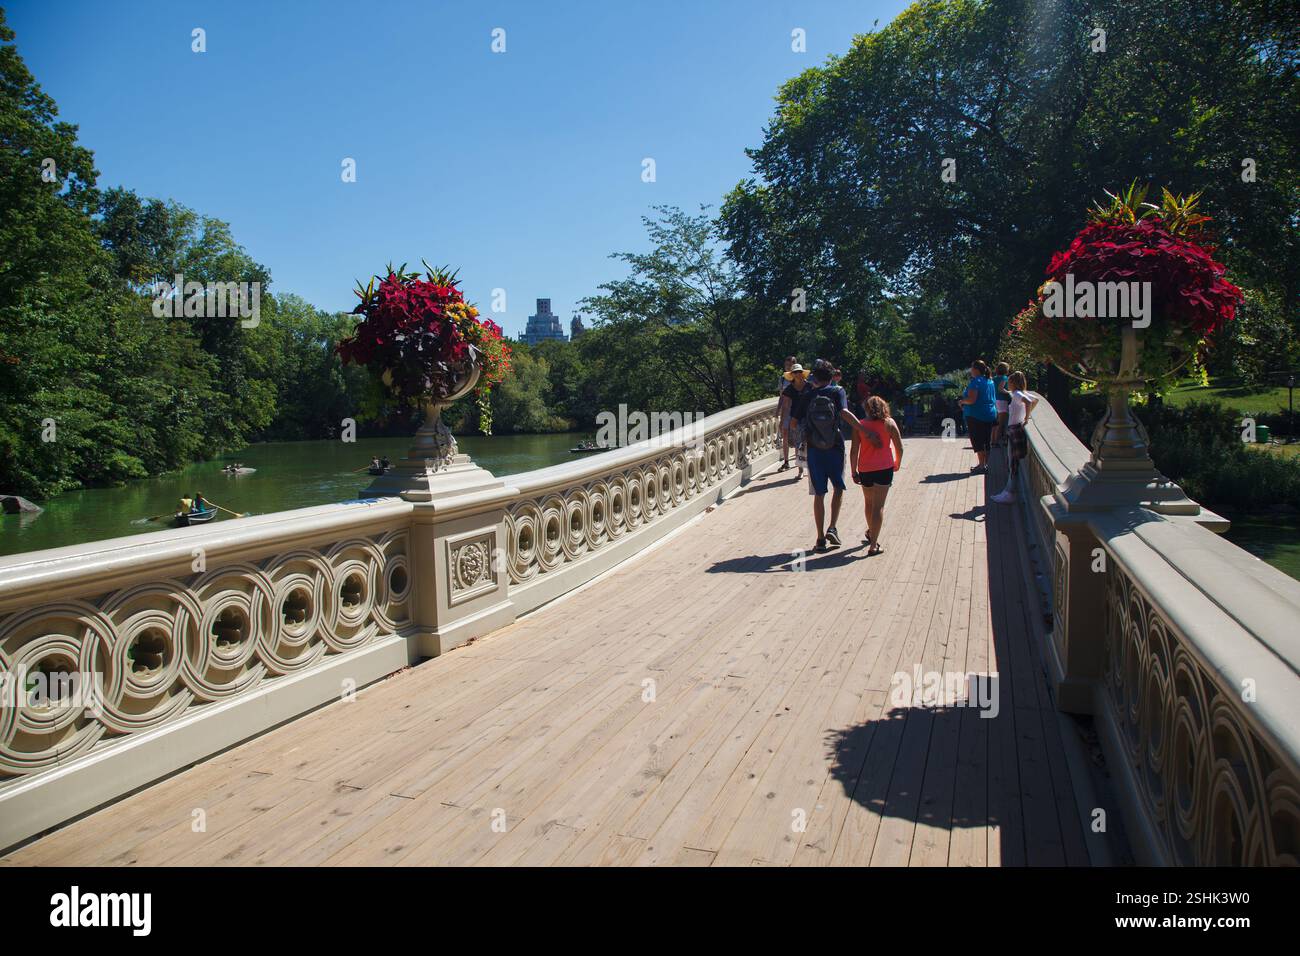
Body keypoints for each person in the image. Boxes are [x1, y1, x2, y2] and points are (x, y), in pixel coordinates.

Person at [800, 360, 870, 552]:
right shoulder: (837, 391)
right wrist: (864, 431)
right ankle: (833, 527)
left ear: (815, 378)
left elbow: (794, 422)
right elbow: (844, 413)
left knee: (819, 494)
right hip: (834, 445)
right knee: (838, 487)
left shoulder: (808, 395)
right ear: (831, 377)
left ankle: (820, 539)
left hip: (814, 448)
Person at [851, 395, 904, 555]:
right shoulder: (889, 423)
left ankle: (871, 532)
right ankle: (873, 544)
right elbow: (899, 447)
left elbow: (854, 451)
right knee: (879, 506)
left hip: (865, 469)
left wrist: (853, 471)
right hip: (884, 468)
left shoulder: (859, 425)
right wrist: (897, 464)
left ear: (866, 409)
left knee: (869, 503)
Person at [991, 372, 1039, 505]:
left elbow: (1029, 402)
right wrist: (1026, 414)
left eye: (1009, 382)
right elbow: (1035, 399)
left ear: (1014, 383)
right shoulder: (1020, 393)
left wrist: (1026, 418)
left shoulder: (1018, 394)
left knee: (1012, 463)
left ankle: (1009, 493)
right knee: (1013, 462)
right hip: (1016, 428)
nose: (1008, 385)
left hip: (1014, 429)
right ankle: (1008, 491)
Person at [958, 359, 998, 473]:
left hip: (977, 416)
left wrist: (962, 402)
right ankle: (986, 464)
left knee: (978, 441)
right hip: (990, 414)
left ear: (975, 369)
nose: (971, 370)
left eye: (972, 368)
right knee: (986, 441)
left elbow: (971, 400)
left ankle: (981, 465)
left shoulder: (976, 382)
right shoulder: (989, 381)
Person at [782, 364, 813, 479]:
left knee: (811, 443)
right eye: (795, 372)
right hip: (796, 418)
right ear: (792, 375)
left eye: (799, 372)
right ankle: (800, 470)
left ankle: (811, 468)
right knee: (798, 444)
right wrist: (784, 421)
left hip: (809, 417)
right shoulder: (789, 389)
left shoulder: (810, 386)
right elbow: (786, 406)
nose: (798, 374)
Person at [778, 356, 796, 470]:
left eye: (789, 365)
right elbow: (781, 396)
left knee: (797, 436)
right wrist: (778, 410)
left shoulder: (798, 378)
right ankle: (786, 461)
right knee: (784, 434)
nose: (787, 367)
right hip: (785, 411)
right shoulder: (782, 379)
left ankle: (800, 463)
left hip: (796, 410)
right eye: (786, 365)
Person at [991, 362, 1011, 446]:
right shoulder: (1004, 378)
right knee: (1001, 424)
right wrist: (1009, 392)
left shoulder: (993, 379)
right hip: (1002, 401)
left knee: (995, 424)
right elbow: (1000, 389)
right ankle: (996, 442)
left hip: (995, 401)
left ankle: (992, 441)